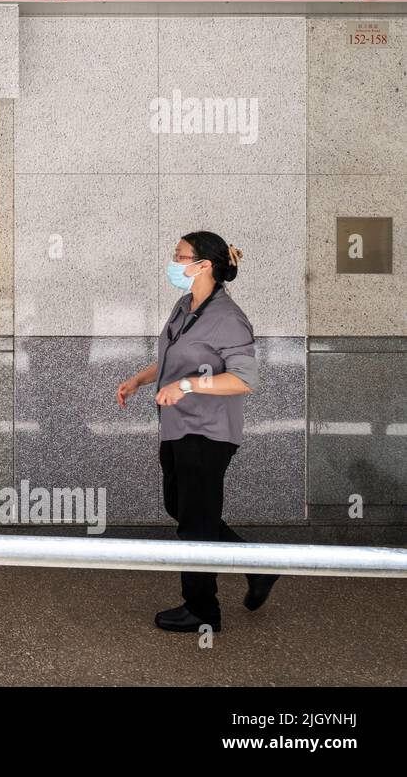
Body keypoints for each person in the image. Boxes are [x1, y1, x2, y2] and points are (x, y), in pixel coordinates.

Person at [116, 231, 277, 632]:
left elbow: (244, 379)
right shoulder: (185, 305)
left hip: (208, 432)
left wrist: (187, 386)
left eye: (180, 255)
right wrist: (139, 380)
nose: (173, 261)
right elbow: (173, 356)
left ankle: (203, 610)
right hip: (176, 427)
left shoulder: (229, 318)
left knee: (195, 521)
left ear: (204, 264)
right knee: (183, 509)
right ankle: (259, 566)